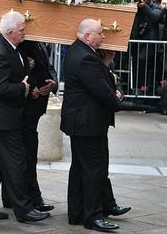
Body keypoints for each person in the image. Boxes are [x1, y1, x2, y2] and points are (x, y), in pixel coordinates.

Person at [0, 11, 50, 223]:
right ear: (9, 32)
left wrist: (29, 82)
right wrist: (22, 88)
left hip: (4, 117)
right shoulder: (0, 51)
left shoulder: (8, 46)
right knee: (17, 163)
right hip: (3, 118)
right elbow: (0, 87)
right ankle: (24, 210)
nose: (25, 33)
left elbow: (19, 72)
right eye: (22, 30)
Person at [61, 19, 130, 232]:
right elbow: (100, 90)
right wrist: (116, 98)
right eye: (100, 33)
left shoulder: (80, 51)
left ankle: (78, 212)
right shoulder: (86, 58)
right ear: (87, 35)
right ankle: (93, 216)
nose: (103, 37)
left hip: (81, 122)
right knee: (94, 170)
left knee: (80, 168)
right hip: (87, 123)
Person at [1, 40, 57, 212]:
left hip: (36, 105)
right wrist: (32, 86)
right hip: (26, 105)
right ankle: (30, 198)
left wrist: (52, 83)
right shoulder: (22, 42)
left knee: (28, 152)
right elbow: (19, 69)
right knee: (26, 153)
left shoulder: (39, 41)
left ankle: (18, 197)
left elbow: (49, 67)